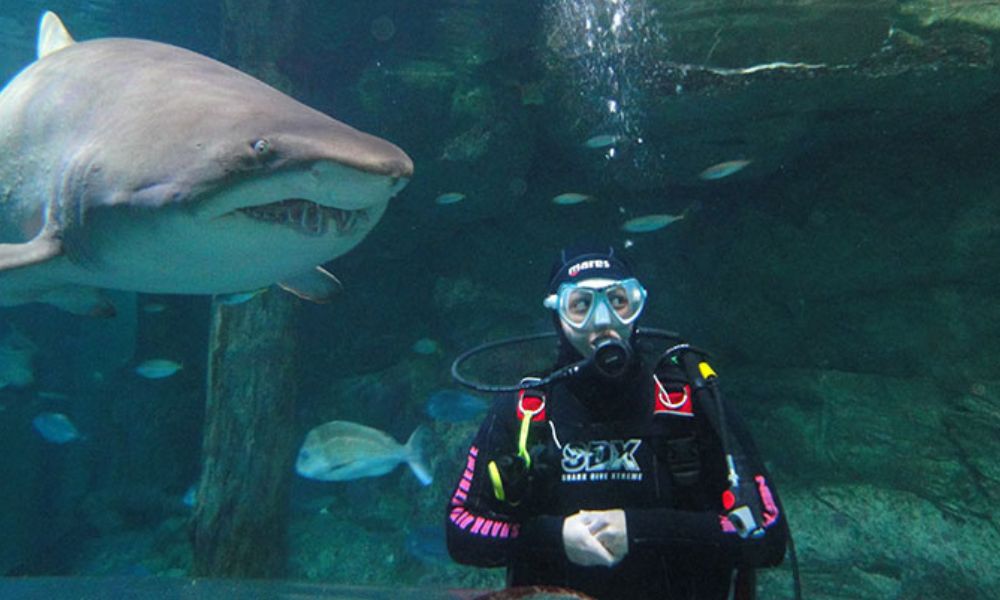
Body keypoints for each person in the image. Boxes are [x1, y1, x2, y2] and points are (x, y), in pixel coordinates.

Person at [445, 245, 788, 599]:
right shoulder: (527, 408)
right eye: (581, 305)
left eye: (618, 301)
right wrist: (556, 537)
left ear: (637, 305)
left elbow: (767, 533)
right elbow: (461, 531)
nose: (603, 320)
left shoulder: (691, 400)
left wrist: (638, 530)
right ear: (557, 316)